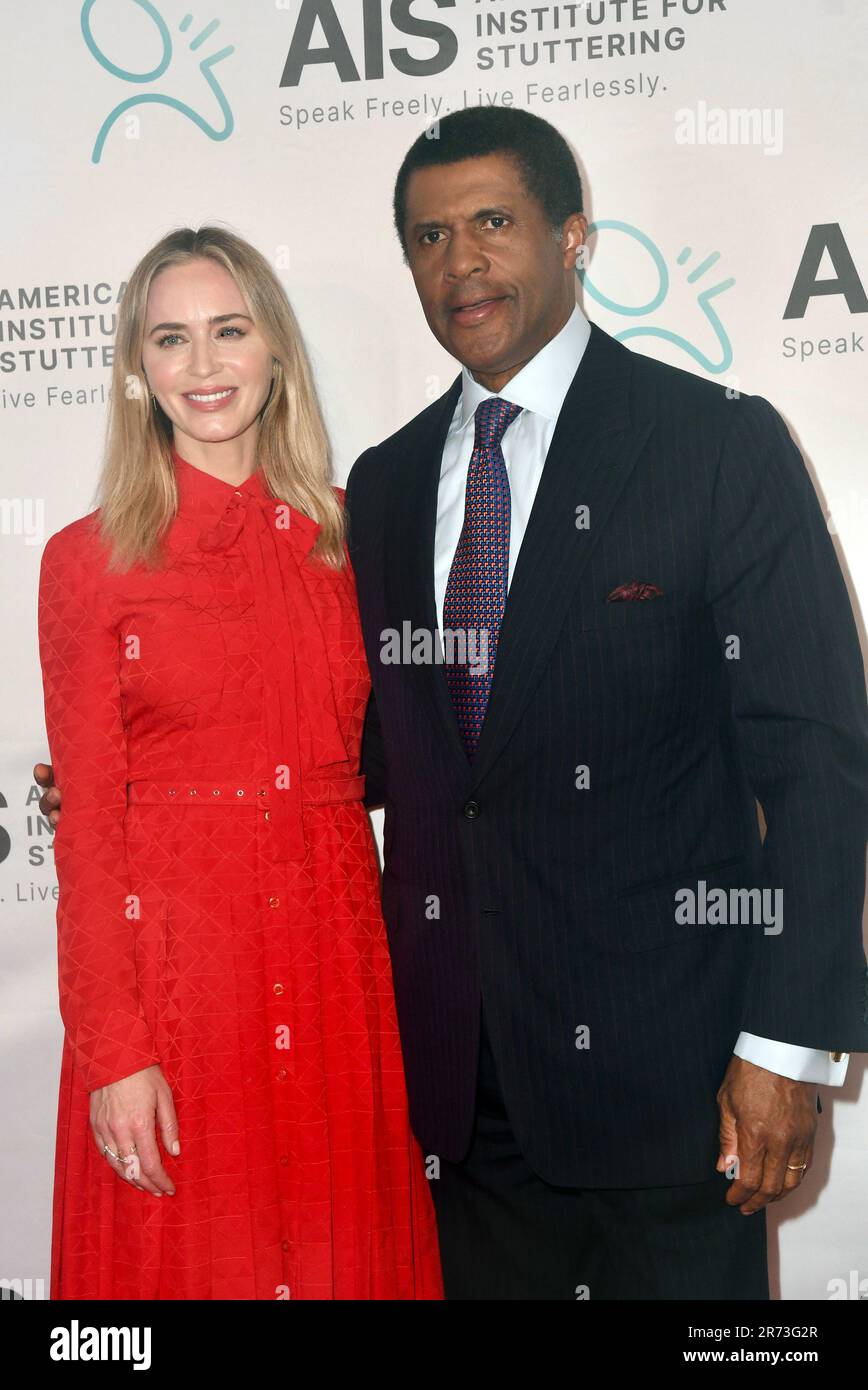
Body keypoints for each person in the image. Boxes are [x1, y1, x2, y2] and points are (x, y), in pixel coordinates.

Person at [341, 108, 868, 1299]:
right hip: (463, 1108)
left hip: (674, 1092)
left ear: (572, 236)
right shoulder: (380, 487)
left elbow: (818, 763)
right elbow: (392, 752)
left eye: (492, 223)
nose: (460, 262)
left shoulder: (714, 444)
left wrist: (783, 1048)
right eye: (429, 235)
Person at [33, 225, 442, 1300]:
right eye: (170, 339)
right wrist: (115, 1048)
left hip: (337, 963)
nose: (203, 366)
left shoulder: (358, 539)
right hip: (176, 986)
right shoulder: (85, 562)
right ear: (137, 368)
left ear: (275, 353)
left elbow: (422, 761)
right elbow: (86, 828)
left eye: (229, 331)